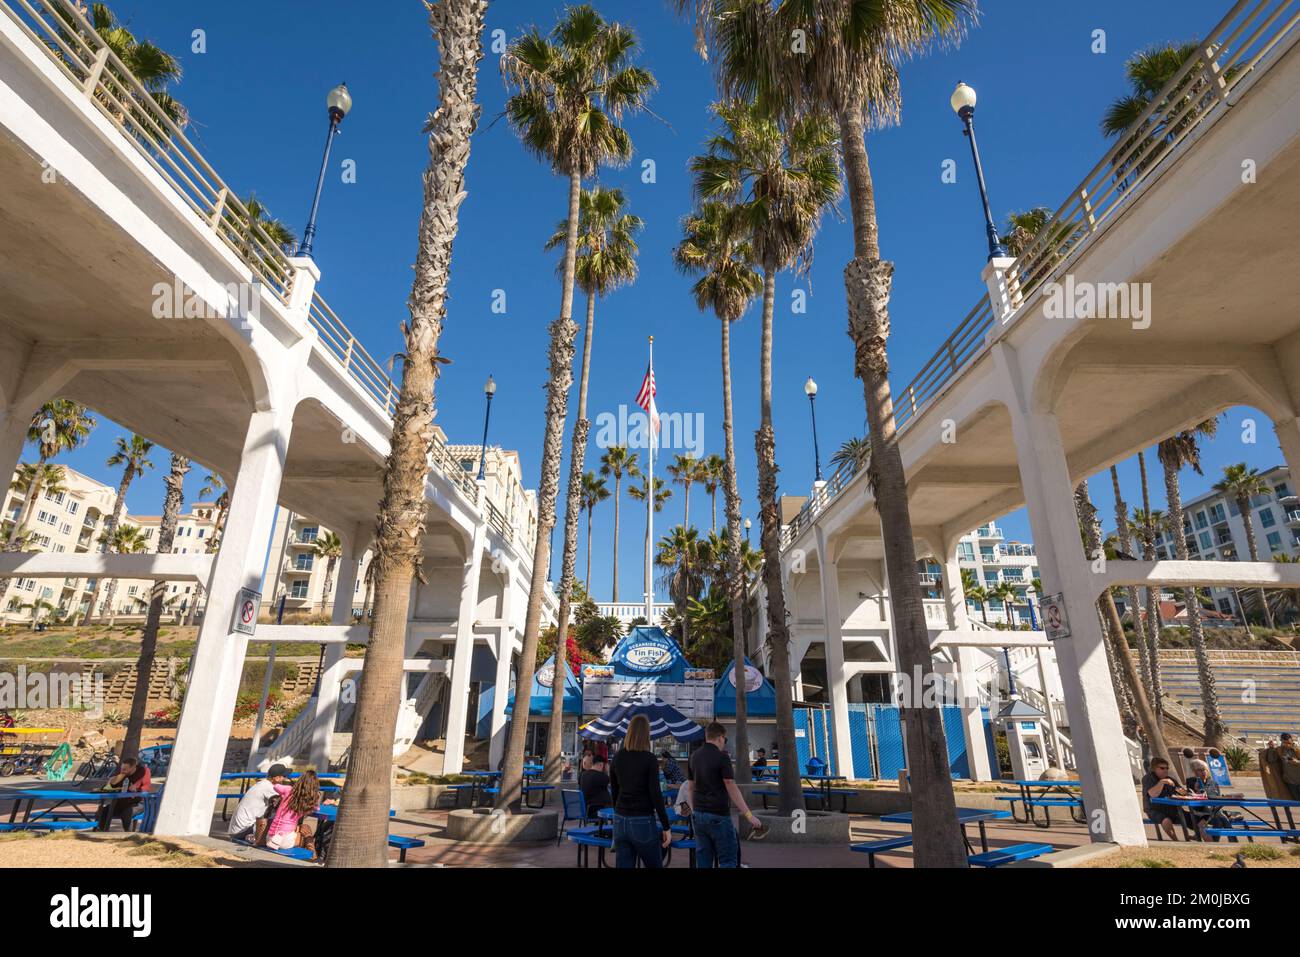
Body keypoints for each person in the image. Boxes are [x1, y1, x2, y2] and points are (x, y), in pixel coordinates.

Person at [688, 722, 766, 868]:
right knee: (728, 860)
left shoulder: (694, 757)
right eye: (724, 739)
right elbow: (730, 785)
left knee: (703, 862)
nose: (724, 742)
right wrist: (749, 815)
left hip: (698, 815)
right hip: (718, 815)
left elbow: (690, 787)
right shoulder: (722, 757)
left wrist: (693, 810)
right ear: (720, 737)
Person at [609, 714, 670, 868]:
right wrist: (666, 826)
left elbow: (614, 791)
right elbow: (656, 795)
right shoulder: (649, 759)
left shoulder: (617, 758)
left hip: (620, 820)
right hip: (642, 819)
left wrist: (618, 813)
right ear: (646, 734)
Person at [262, 768, 323, 856]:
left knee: (298, 829)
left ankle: (312, 855)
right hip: (286, 841)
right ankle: (313, 855)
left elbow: (276, 787)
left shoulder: (288, 790)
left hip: (271, 837)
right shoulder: (309, 801)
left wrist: (285, 792)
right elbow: (317, 808)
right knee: (306, 831)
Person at [228, 764, 292, 842]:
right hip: (243, 830)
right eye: (284, 776)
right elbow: (286, 803)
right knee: (278, 819)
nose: (285, 779)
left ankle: (253, 836)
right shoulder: (270, 788)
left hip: (236, 830)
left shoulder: (262, 784)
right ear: (277, 778)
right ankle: (253, 837)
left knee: (272, 814)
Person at [94, 754, 151, 832]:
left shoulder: (143, 771)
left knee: (127, 813)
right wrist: (110, 783)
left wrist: (137, 789)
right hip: (121, 802)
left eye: (125, 769)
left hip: (138, 802)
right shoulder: (122, 775)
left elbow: (147, 787)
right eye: (122, 769)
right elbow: (112, 787)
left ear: (133, 768)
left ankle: (128, 834)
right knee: (102, 811)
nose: (122, 771)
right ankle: (100, 831)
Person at [1141, 757, 1188, 841]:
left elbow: (1182, 792)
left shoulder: (1171, 780)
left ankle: (1204, 840)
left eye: (1167, 768)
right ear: (1154, 769)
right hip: (1154, 809)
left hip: (1172, 808)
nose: (1165, 770)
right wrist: (1162, 782)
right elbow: (1153, 794)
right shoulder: (1148, 778)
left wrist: (1184, 792)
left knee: (1194, 819)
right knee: (1166, 820)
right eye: (1162, 768)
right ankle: (1176, 841)